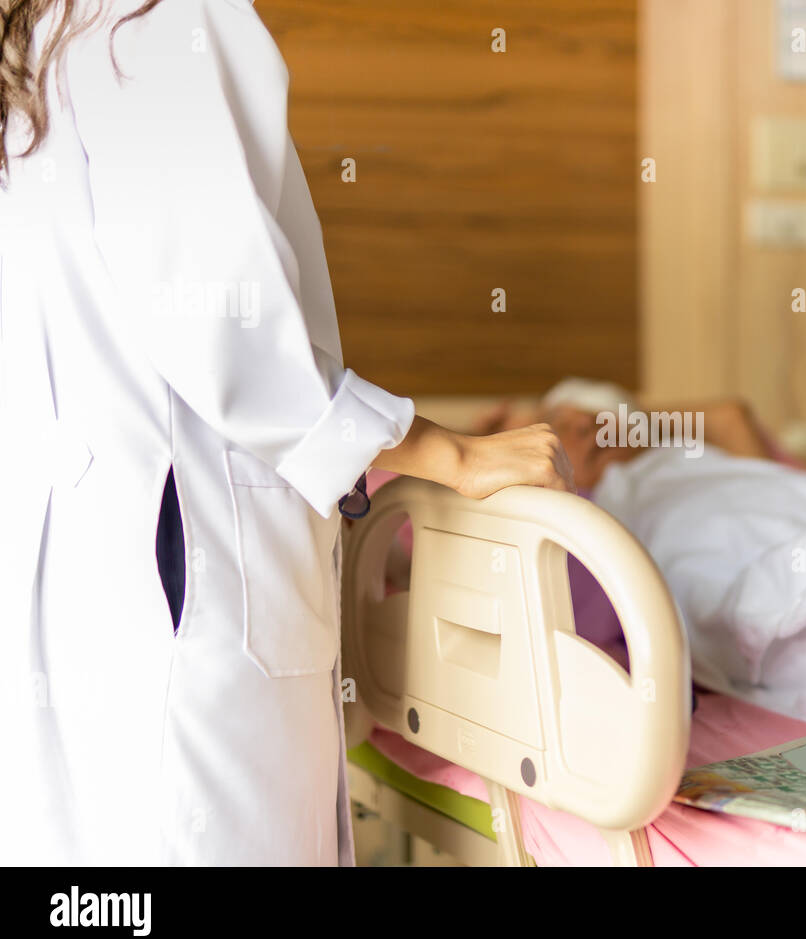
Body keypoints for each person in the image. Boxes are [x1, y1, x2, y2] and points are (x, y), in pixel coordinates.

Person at [0, 0, 569, 864]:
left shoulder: (43, 39)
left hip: (80, 584)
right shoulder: (151, 20)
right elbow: (219, 320)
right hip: (177, 583)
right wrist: (441, 453)